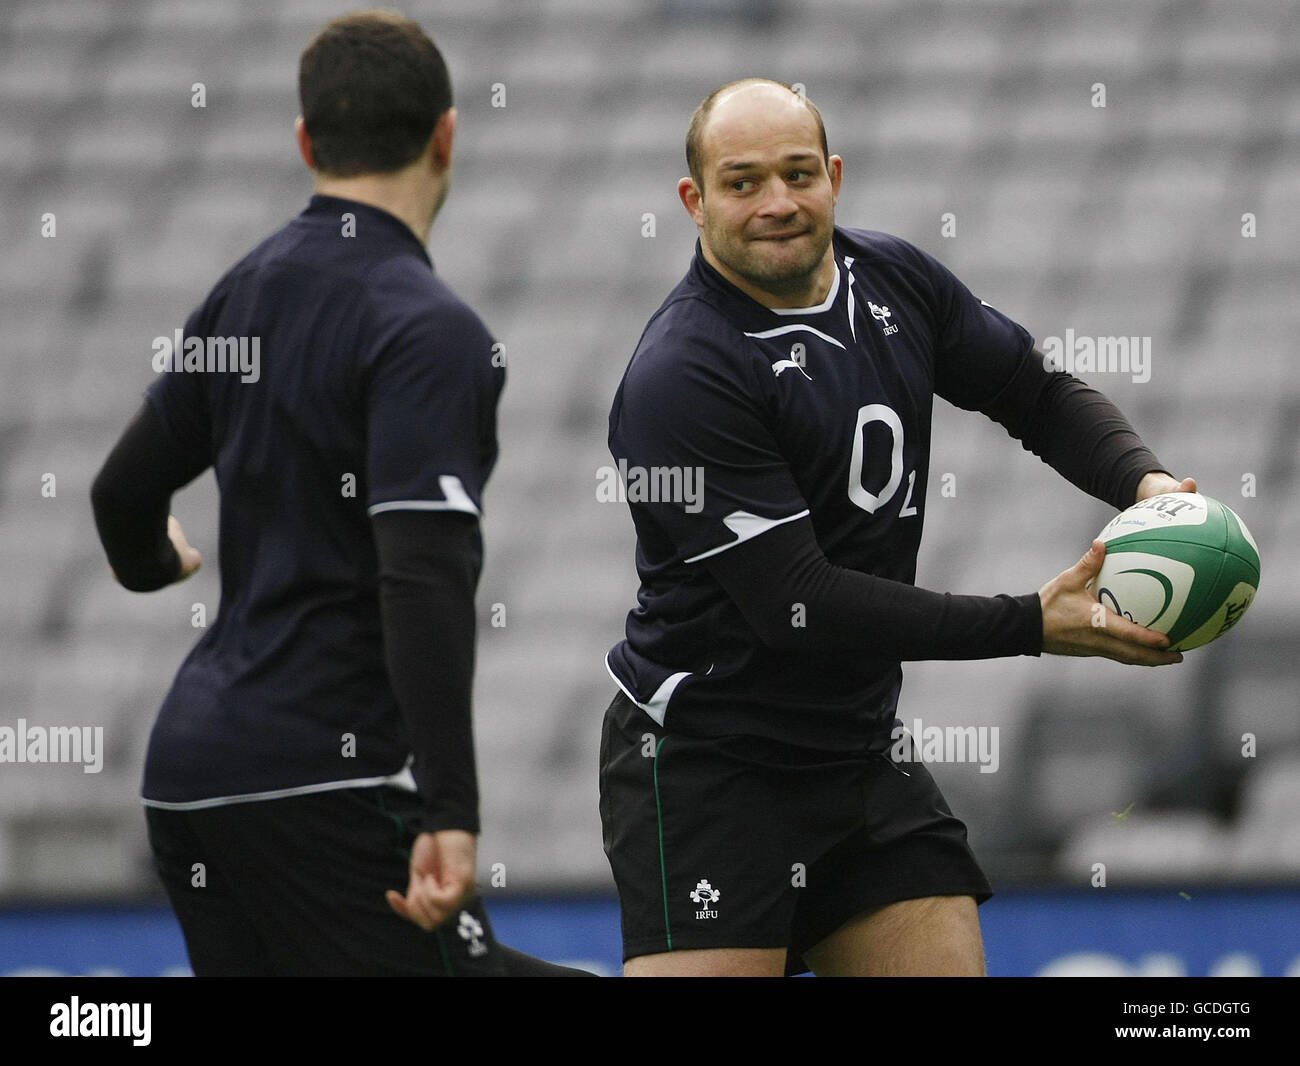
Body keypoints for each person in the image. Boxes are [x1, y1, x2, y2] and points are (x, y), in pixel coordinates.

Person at [599, 77, 1196, 977]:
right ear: (694, 202)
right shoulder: (681, 375)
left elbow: (1032, 391)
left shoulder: (893, 278)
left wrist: (1143, 484)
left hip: (856, 750)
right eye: (743, 181)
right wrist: (1031, 623)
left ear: (834, 175)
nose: (777, 203)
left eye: (799, 174)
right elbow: (800, 604)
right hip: (711, 765)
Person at [91, 11, 585, 977]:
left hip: (192, 777)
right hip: (325, 777)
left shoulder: (243, 292)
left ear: (306, 143)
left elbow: (119, 495)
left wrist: (163, 562)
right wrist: (451, 811)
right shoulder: (427, 328)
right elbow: (422, 576)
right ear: (448, 134)